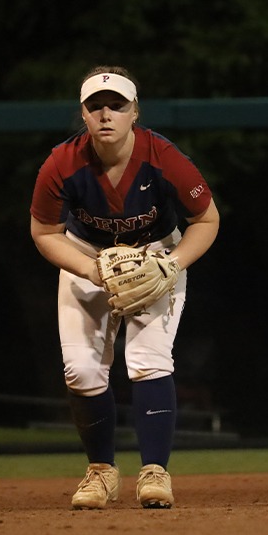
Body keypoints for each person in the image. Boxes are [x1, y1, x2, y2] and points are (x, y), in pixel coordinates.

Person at [29, 65, 219, 510]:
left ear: (135, 111)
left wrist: (171, 266)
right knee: (80, 368)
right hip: (87, 255)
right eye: (96, 107)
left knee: (148, 359)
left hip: (155, 256)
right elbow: (44, 232)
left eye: (117, 105)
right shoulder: (62, 162)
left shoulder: (164, 157)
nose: (106, 114)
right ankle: (101, 473)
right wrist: (93, 271)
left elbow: (207, 220)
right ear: (83, 114)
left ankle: (154, 471)